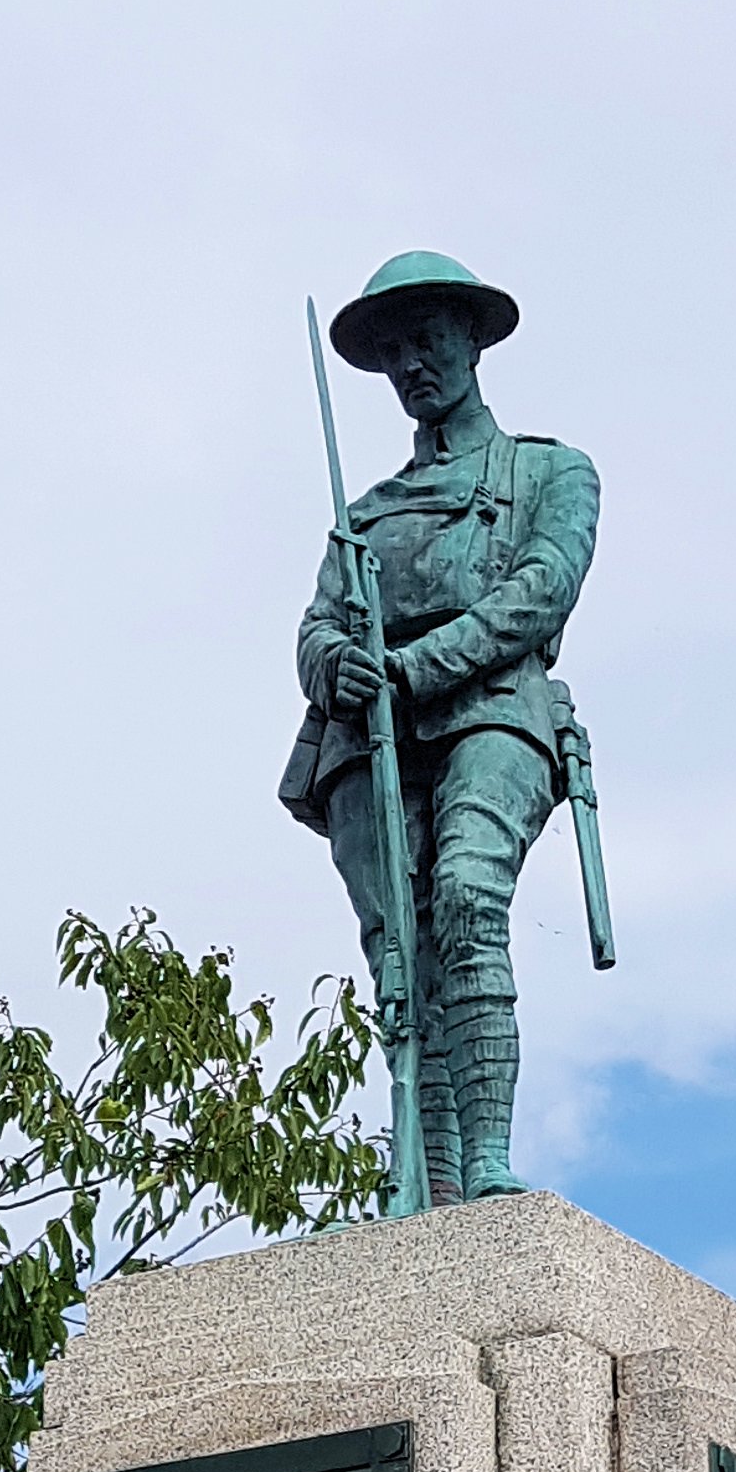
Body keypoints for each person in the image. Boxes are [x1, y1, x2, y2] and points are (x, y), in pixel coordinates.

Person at [282, 252, 599, 1203]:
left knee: (465, 893)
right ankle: (433, 1190)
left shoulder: (550, 472)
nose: (412, 364)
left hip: (490, 708)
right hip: (366, 734)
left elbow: (540, 592)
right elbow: (318, 623)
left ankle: (489, 1157)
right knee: (400, 955)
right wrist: (337, 665)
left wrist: (416, 666)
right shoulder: (363, 517)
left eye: (426, 340)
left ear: (470, 339)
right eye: (393, 352)